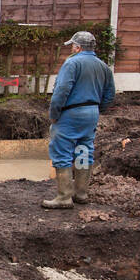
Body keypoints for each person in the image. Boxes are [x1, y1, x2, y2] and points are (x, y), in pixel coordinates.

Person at [42, 30, 115, 208]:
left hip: (71, 113)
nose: (71, 49)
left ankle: (64, 197)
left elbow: (62, 90)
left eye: (73, 46)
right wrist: (97, 110)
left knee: (62, 151)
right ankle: (81, 193)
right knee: (84, 149)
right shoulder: (103, 66)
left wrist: (54, 113)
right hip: (91, 113)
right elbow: (109, 93)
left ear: (78, 47)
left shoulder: (72, 63)